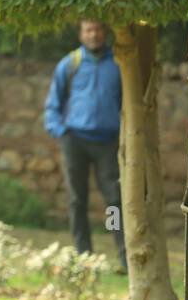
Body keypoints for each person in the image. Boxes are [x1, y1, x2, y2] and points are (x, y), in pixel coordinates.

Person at [43, 18, 128, 274]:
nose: (94, 35)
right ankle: (84, 258)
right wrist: (60, 130)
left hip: (108, 143)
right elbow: (53, 104)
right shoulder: (70, 64)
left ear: (105, 32)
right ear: (81, 34)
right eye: (89, 30)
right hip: (75, 141)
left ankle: (124, 258)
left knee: (114, 201)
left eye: (99, 29)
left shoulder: (118, 63)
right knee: (77, 200)